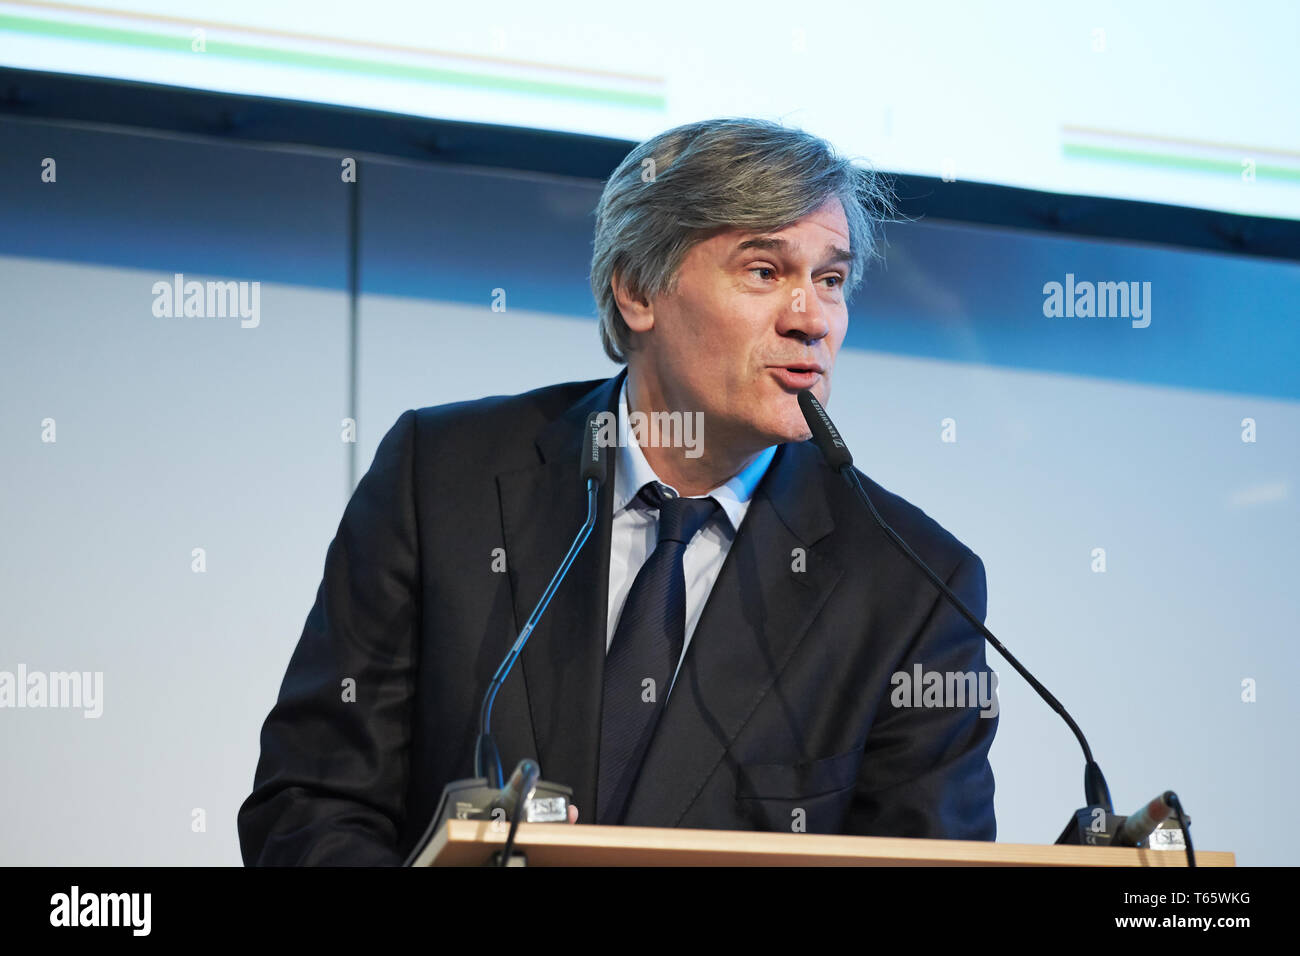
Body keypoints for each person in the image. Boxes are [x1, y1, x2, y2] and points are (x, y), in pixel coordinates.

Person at [238, 117, 997, 866]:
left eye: (829, 280)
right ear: (637, 291)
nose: (812, 320)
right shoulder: (440, 481)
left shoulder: (914, 586)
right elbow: (310, 804)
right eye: (765, 272)